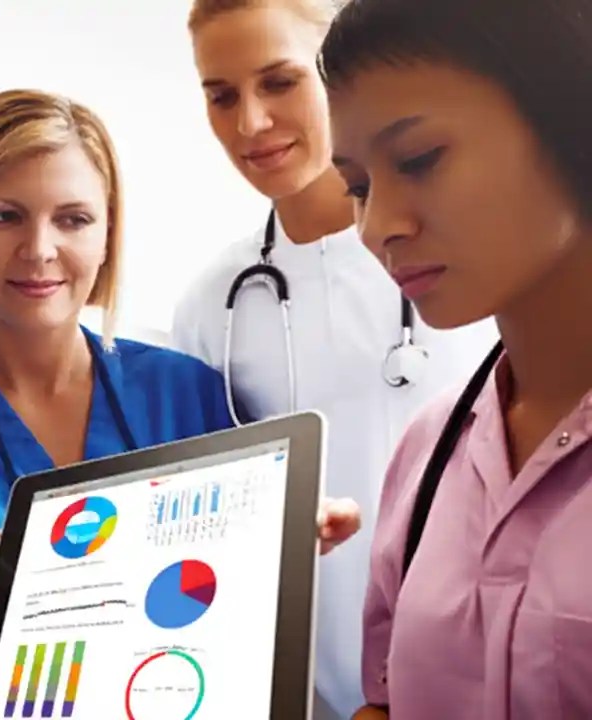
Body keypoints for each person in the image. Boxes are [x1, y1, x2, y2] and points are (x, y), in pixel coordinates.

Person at [0, 88, 362, 720]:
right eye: (4, 216)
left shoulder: (189, 396)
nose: (39, 249)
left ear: (108, 236)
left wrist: (284, 538)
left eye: (73, 219)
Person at [171, 1, 499, 716]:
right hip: (310, 693)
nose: (250, 123)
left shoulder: (467, 256)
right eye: (220, 95)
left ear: (341, 73)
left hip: (483, 679)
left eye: (280, 81)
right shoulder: (208, 310)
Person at [320, 0, 592, 717]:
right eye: (358, 187)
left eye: (419, 160)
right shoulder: (431, 449)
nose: (377, 227)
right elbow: (385, 699)